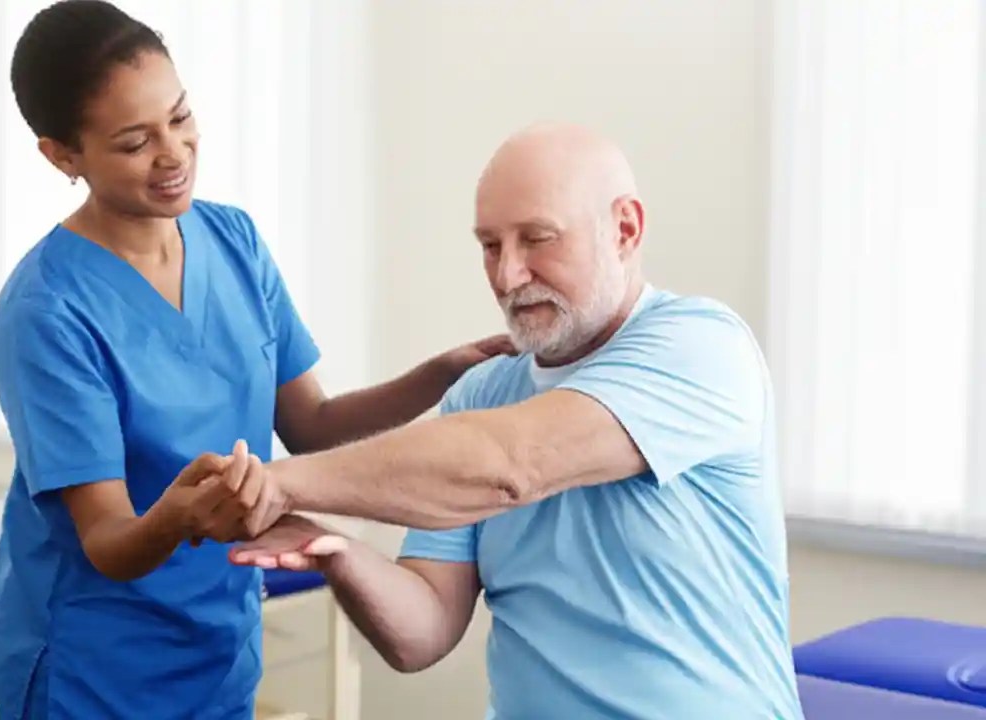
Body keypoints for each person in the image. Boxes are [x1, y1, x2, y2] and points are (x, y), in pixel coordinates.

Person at [0, 2, 514, 718]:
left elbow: (314, 424)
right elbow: (108, 539)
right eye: (135, 141)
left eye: (180, 117)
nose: (173, 154)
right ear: (63, 154)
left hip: (219, 652)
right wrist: (177, 517)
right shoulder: (48, 310)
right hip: (96, 675)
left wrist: (442, 371)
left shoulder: (233, 241)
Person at [228, 123, 805, 719]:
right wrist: (337, 555)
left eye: (537, 239)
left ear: (625, 230)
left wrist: (279, 482)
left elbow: (510, 466)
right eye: (490, 246)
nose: (508, 276)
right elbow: (421, 632)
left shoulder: (700, 346)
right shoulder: (481, 395)